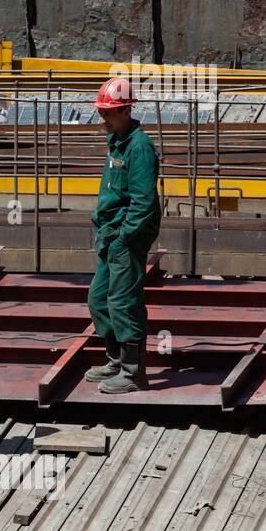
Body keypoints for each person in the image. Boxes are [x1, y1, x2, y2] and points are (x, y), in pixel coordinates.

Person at [85, 77, 161, 394]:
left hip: (124, 238)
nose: (103, 117)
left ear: (126, 111)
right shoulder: (118, 141)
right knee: (99, 300)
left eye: (109, 112)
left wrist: (124, 235)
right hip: (110, 234)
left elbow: (143, 202)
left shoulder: (139, 148)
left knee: (123, 302)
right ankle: (116, 359)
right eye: (102, 112)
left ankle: (134, 372)